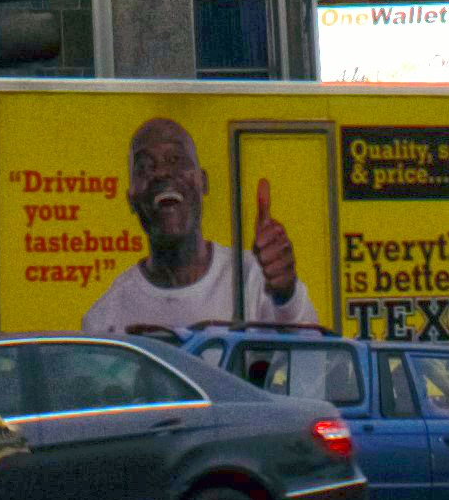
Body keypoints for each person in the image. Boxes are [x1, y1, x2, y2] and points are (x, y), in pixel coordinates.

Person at [70, 113, 308, 338]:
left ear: (202, 182)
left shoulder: (252, 278)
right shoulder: (104, 319)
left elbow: (312, 359)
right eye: (145, 167)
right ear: (131, 199)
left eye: (175, 159)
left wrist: (286, 294)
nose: (162, 173)